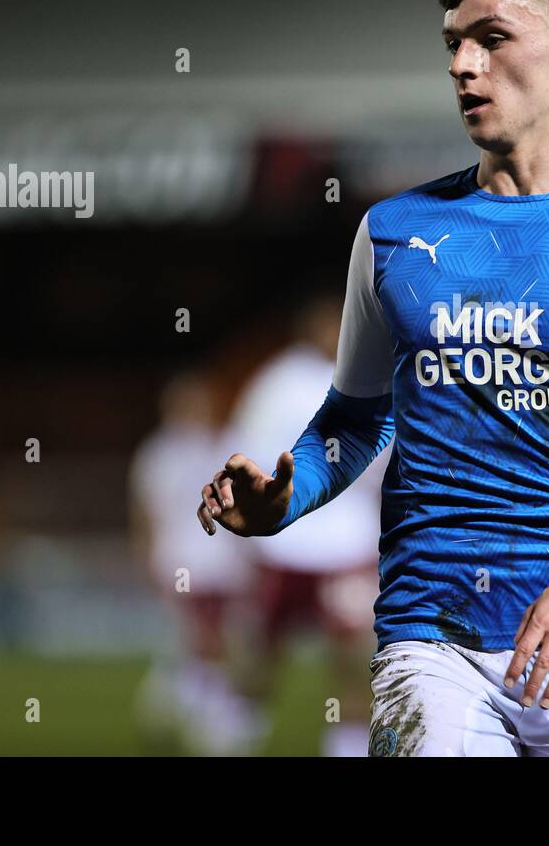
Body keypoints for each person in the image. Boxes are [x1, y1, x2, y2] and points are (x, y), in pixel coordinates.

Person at [198, 0, 549, 756]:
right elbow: (353, 420)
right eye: (453, 44)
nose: (462, 66)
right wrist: (285, 495)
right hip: (431, 639)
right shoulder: (393, 235)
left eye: (491, 39)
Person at [229, 293, 388, 757]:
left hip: (347, 544)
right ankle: (239, 729)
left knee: (354, 655)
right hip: (287, 543)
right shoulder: (277, 382)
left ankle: (348, 743)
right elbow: (248, 448)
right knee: (262, 650)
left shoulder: (371, 377)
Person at [130, 370, 266, 754]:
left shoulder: (224, 446)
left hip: (223, 562)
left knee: (212, 642)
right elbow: (146, 512)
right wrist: (148, 556)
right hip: (183, 562)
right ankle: (208, 720)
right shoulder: (158, 454)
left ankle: (172, 701)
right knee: (207, 640)